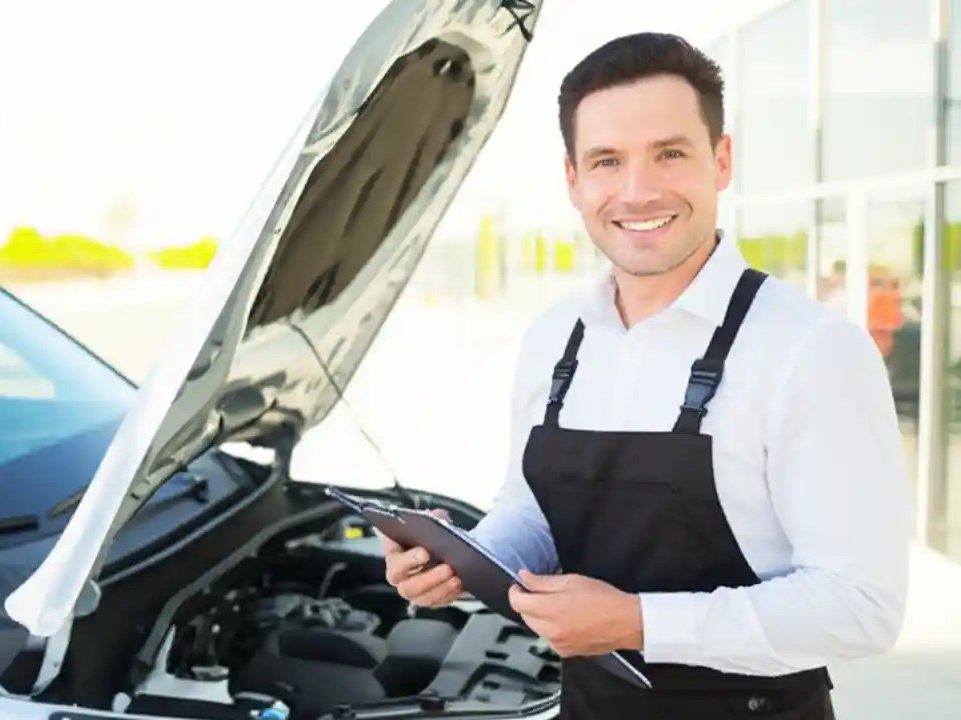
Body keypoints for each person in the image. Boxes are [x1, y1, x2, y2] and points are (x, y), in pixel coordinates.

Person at [380, 32, 909, 719]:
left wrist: (639, 622)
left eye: (670, 153)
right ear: (572, 179)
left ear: (721, 160)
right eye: (606, 161)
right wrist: (466, 560)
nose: (637, 190)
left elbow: (862, 607)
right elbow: (533, 508)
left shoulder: (810, 351)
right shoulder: (553, 341)